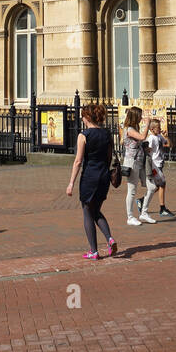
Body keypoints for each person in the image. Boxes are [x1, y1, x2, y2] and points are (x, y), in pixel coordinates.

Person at [66, 103, 116, 260]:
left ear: (87, 117)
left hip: (89, 177)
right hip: (104, 176)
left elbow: (78, 161)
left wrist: (71, 183)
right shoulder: (107, 134)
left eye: (82, 115)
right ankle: (109, 238)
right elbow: (109, 157)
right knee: (96, 211)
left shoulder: (84, 135)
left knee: (87, 212)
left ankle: (94, 251)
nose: (81, 118)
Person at [121, 106, 157, 226]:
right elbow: (142, 137)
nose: (142, 117)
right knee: (132, 191)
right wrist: (147, 124)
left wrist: (145, 148)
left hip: (141, 162)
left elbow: (140, 141)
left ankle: (144, 212)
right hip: (132, 162)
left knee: (152, 187)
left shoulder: (135, 128)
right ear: (135, 116)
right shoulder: (129, 129)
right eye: (140, 115)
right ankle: (130, 217)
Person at [145, 118, 174, 217]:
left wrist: (166, 136)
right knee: (162, 184)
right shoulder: (151, 138)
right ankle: (162, 208)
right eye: (158, 128)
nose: (160, 129)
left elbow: (169, 145)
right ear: (152, 129)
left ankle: (142, 200)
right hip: (155, 164)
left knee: (156, 186)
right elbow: (148, 150)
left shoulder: (159, 137)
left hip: (160, 164)